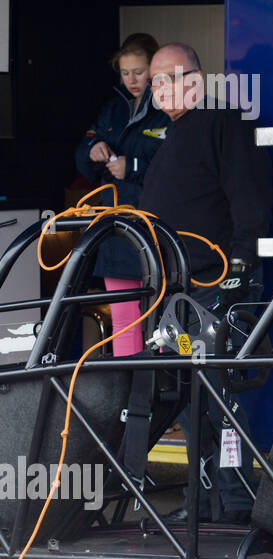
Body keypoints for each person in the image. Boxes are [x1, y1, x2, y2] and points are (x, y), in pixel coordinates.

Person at [140, 43, 273, 524]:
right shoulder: (172, 134)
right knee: (190, 398)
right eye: (155, 81)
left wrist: (239, 268)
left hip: (217, 286)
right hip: (175, 290)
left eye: (172, 78)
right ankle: (201, 501)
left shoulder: (224, 121)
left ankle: (238, 502)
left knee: (223, 396)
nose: (162, 88)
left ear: (198, 78)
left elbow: (251, 200)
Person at [74, 33, 170, 356]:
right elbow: (81, 152)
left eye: (139, 72)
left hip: (160, 229)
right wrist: (92, 150)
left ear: (154, 68)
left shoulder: (171, 107)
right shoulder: (112, 109)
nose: (131, 80)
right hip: (117, 231)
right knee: (125, 321)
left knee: (171, 318)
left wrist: (133, 166)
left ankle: (180, 391)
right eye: (125, 72)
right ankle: (130, 398)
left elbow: (179, 165)